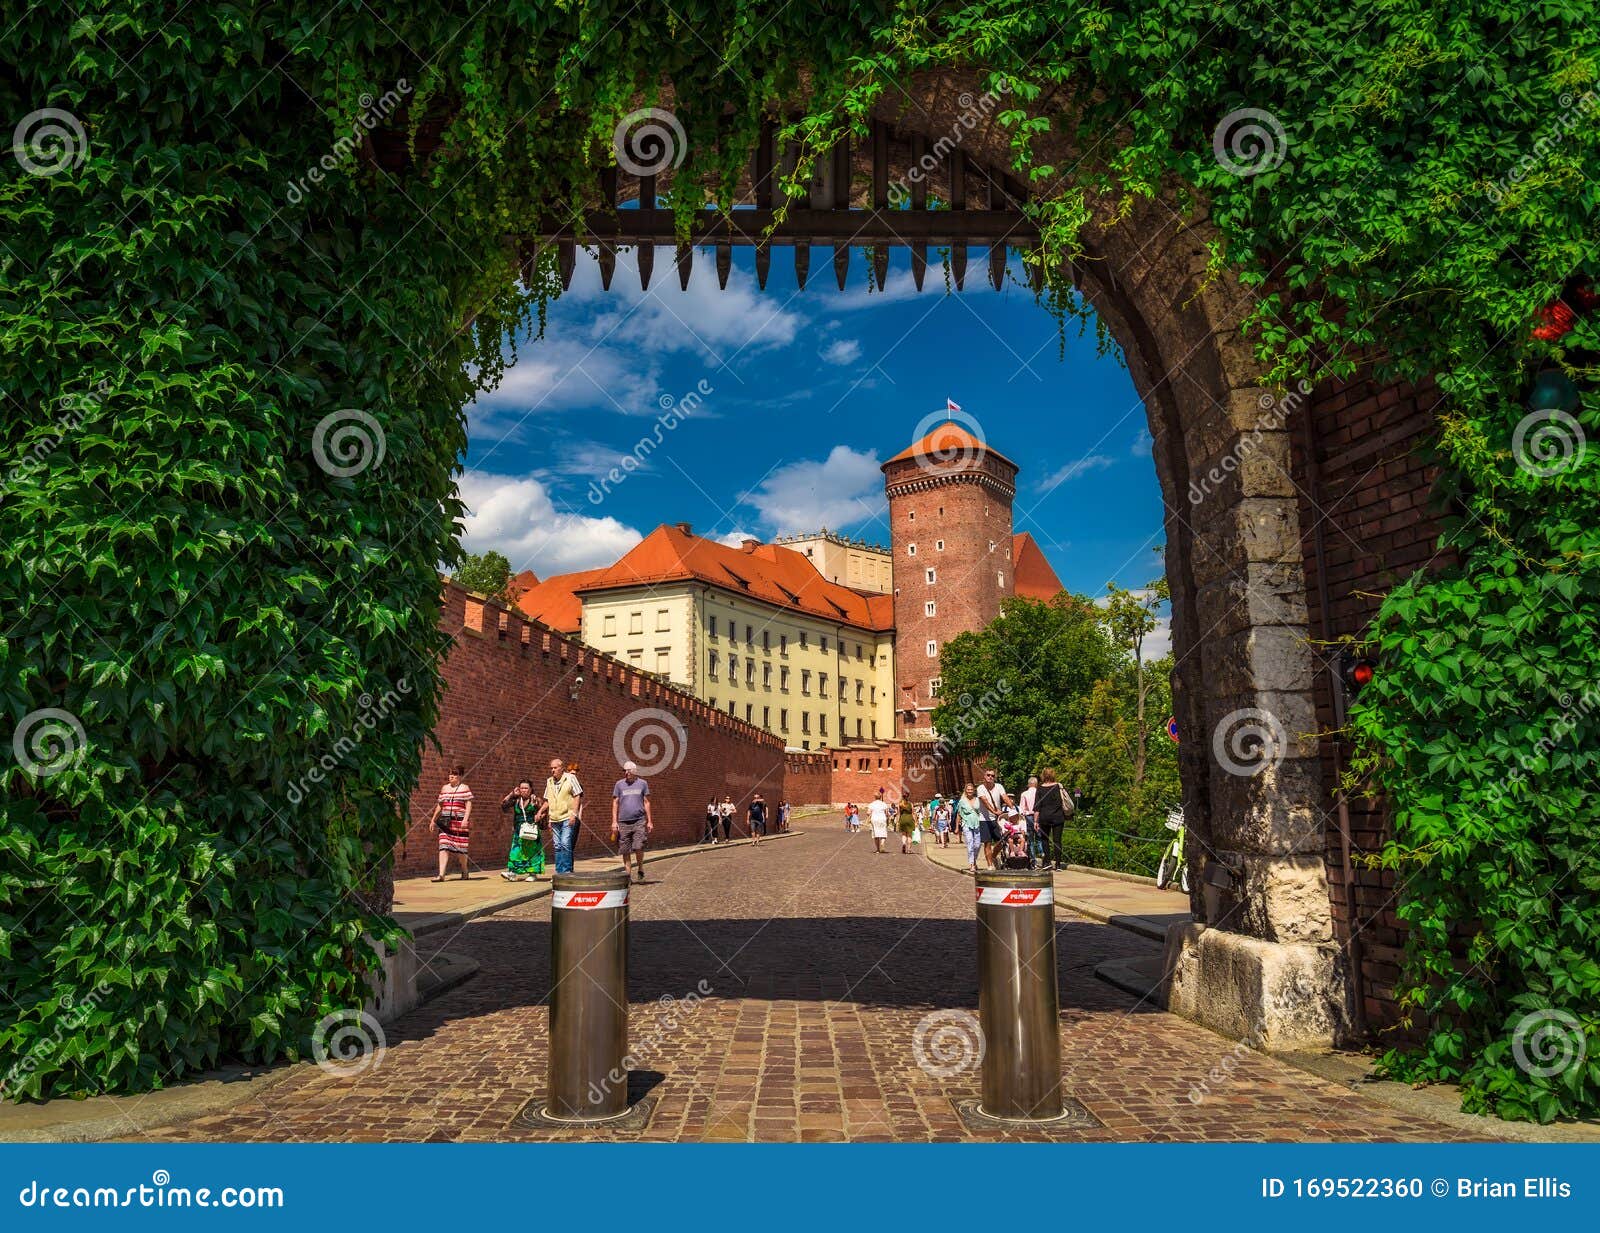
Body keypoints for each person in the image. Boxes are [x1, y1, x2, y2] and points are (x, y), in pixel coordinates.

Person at [536, 755, 583, 875]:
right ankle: (559, 872)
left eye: (555, 768)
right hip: (554, 818)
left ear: (561, 768)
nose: (552, 770)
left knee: (565, 843)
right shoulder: (549, 781)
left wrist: (574, 813)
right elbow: (547, 800)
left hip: (567, 816)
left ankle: (566, 872)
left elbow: (577, 795)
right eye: (551, 768)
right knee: (557, 846)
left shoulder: (571, 778)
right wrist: (540, 811)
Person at [429, 765, 475, 881]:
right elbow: (440, 805)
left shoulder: (464, 788)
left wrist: (465, 819)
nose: (451, 776)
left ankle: (464, 870)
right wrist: (433, 820)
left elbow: (469, 804)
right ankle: (441, 875)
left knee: (461, 848)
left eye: (454, 774)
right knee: (443, 845)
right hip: (445, 821)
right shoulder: (444, 788)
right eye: (450, 774)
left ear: (460, 776)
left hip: (459, 821)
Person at [611, 760, 653, 883]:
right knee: (625, 849)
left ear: (634, 771)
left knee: (638, 846)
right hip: (623, 821)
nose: (626, 773)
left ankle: (640, 867)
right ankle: (628, 875)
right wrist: (614, 821)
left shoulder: (643, 784)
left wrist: (649, 821)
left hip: (639, 820)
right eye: (624, 771)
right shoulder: (619, 784)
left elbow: (646, 802)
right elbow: (615, 802)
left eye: (628, 771)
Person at [500, 778, 545, 881]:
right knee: (516, 851)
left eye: (526, 788)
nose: (524, 790)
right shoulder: (516, 800)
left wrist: (539, 816)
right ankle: (513, 872)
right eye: (522, 788)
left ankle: (532, 873)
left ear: (531, 789)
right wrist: (511, 794)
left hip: (532, 830)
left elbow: (544, 811)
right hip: (519, 831)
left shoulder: (535, 800)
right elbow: (504, 805)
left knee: (531, 852)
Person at [1034, 767, 1074, 871]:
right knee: (1057, 840)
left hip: (1044, 817)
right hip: (1058, 817)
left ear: (1043, 775)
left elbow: (1037, 807)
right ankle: (1058, 864)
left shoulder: (1040, 788)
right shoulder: (1058, 787)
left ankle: (1047, 862)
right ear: (1053, 774)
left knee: (1045, 840)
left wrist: (1035, 821)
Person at [975, 769, 1011, 870]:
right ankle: (990, 865)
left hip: (996, 819)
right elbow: (985, 801)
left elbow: (1005, 797)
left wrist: (1013, 808)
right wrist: (993, 811)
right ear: (984, 777)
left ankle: (993, 856)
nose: (990, 777)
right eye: (988, 775)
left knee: (1001, 841)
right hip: (984, 819)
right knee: (987, 842)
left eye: (992, 776)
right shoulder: (980, 788)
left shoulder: (999, 786)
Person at [955, 783, 984, 874]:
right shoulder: (962, 801)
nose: (970, 791)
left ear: (974, 790)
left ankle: (974, 860)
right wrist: (957, 827)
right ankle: (972, 864)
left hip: (977, 824)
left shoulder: (978, 800)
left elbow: (982, 812)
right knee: (970, 844)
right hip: (966, 824)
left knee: (978, 844)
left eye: (971, 789)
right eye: (968, 789)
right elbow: (959, 814)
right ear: (965, 790)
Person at [1019, 774, 1043, 869]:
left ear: (1028, 784)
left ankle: (1034, 862)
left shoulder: (1024, 794)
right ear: (1036, 784)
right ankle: (1042, 853)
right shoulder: (1040, 792)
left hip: (1028, 817)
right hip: (1039, 816)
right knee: (1040, 838)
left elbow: (1021, 809)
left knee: (1031, 840)